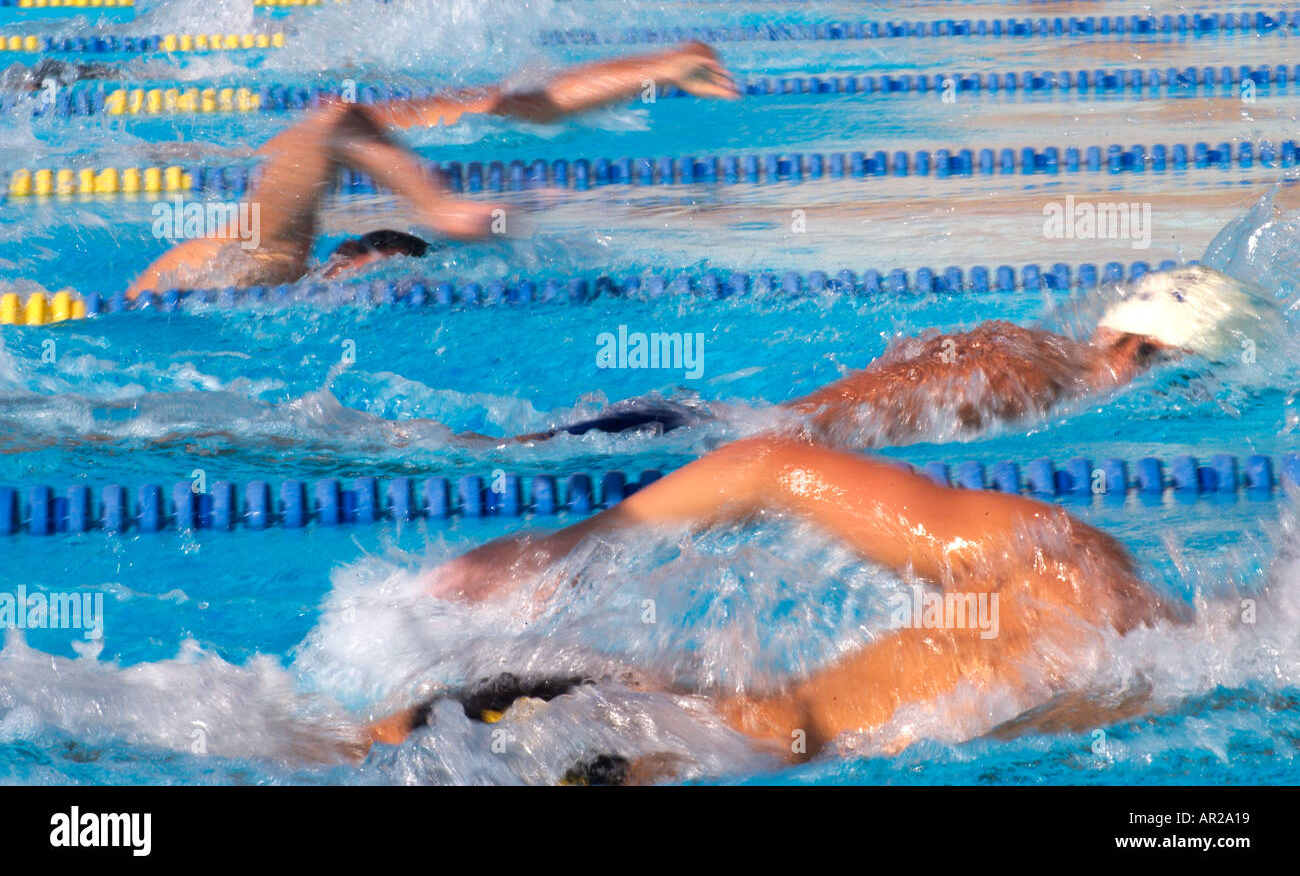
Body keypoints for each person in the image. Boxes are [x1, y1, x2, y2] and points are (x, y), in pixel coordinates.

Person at [357, 433, 1188, 776]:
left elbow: (772, 466)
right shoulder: (1062, 567)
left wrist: (581, 541)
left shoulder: (1047, 560)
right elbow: (773, 467)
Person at [416, 264, 1279, 446]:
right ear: (1139, 350)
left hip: (704, 422)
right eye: (1179, 376)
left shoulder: (1034, 344)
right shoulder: (1041, 380)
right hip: (714, 441)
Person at [125, 42, 738, 297]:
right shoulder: (265, 263)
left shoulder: (259, 259)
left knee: (507, 103)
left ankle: (666, 65)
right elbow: (330, 125)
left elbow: (332, 125)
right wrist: (446, 210)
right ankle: (666, 65)